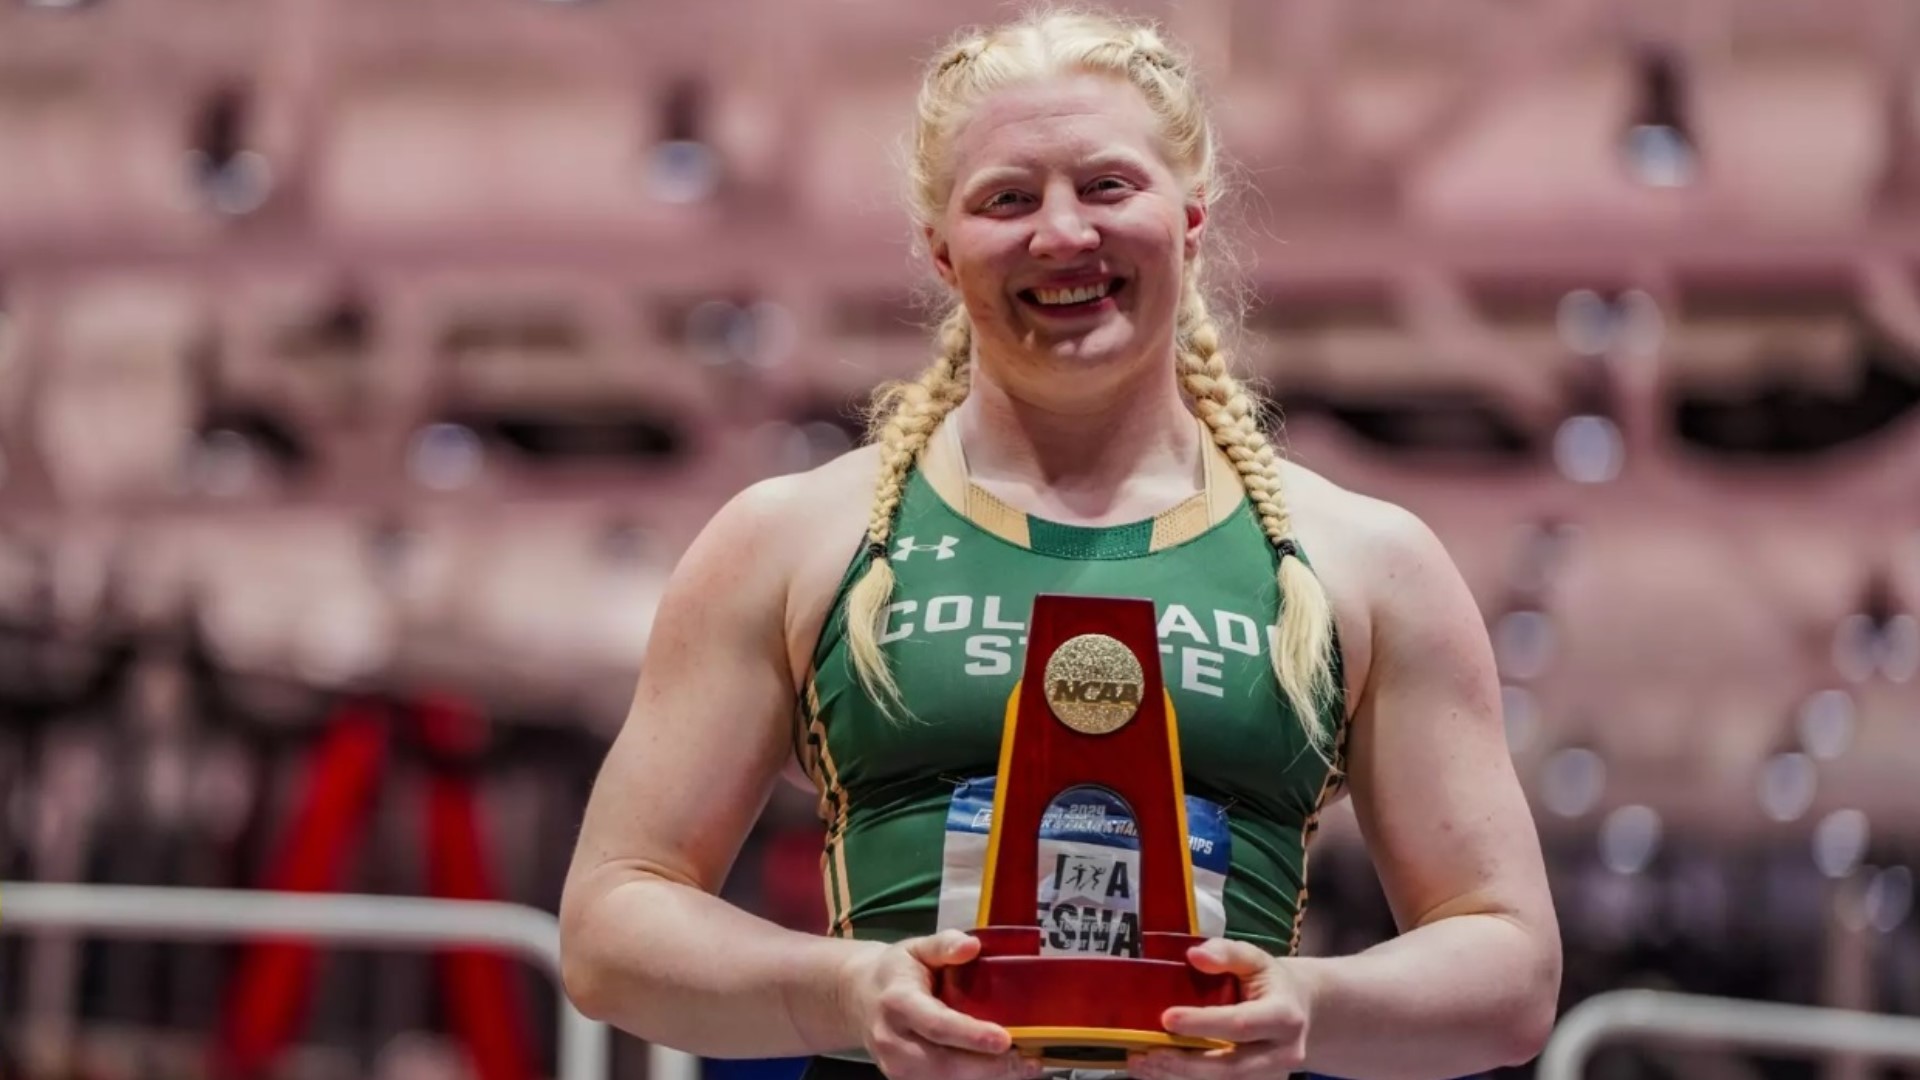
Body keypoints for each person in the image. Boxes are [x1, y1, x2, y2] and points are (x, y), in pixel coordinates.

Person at [558, 8, 1562, 1080]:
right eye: (1008, 199)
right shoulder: (795, 541)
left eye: (1107, 186)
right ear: (942, 251)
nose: (1063, 234)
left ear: (1192, 216)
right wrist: (842, 991)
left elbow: (1510, 964)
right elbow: (611, 924)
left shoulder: (1367, 563)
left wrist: (1313, 1002)